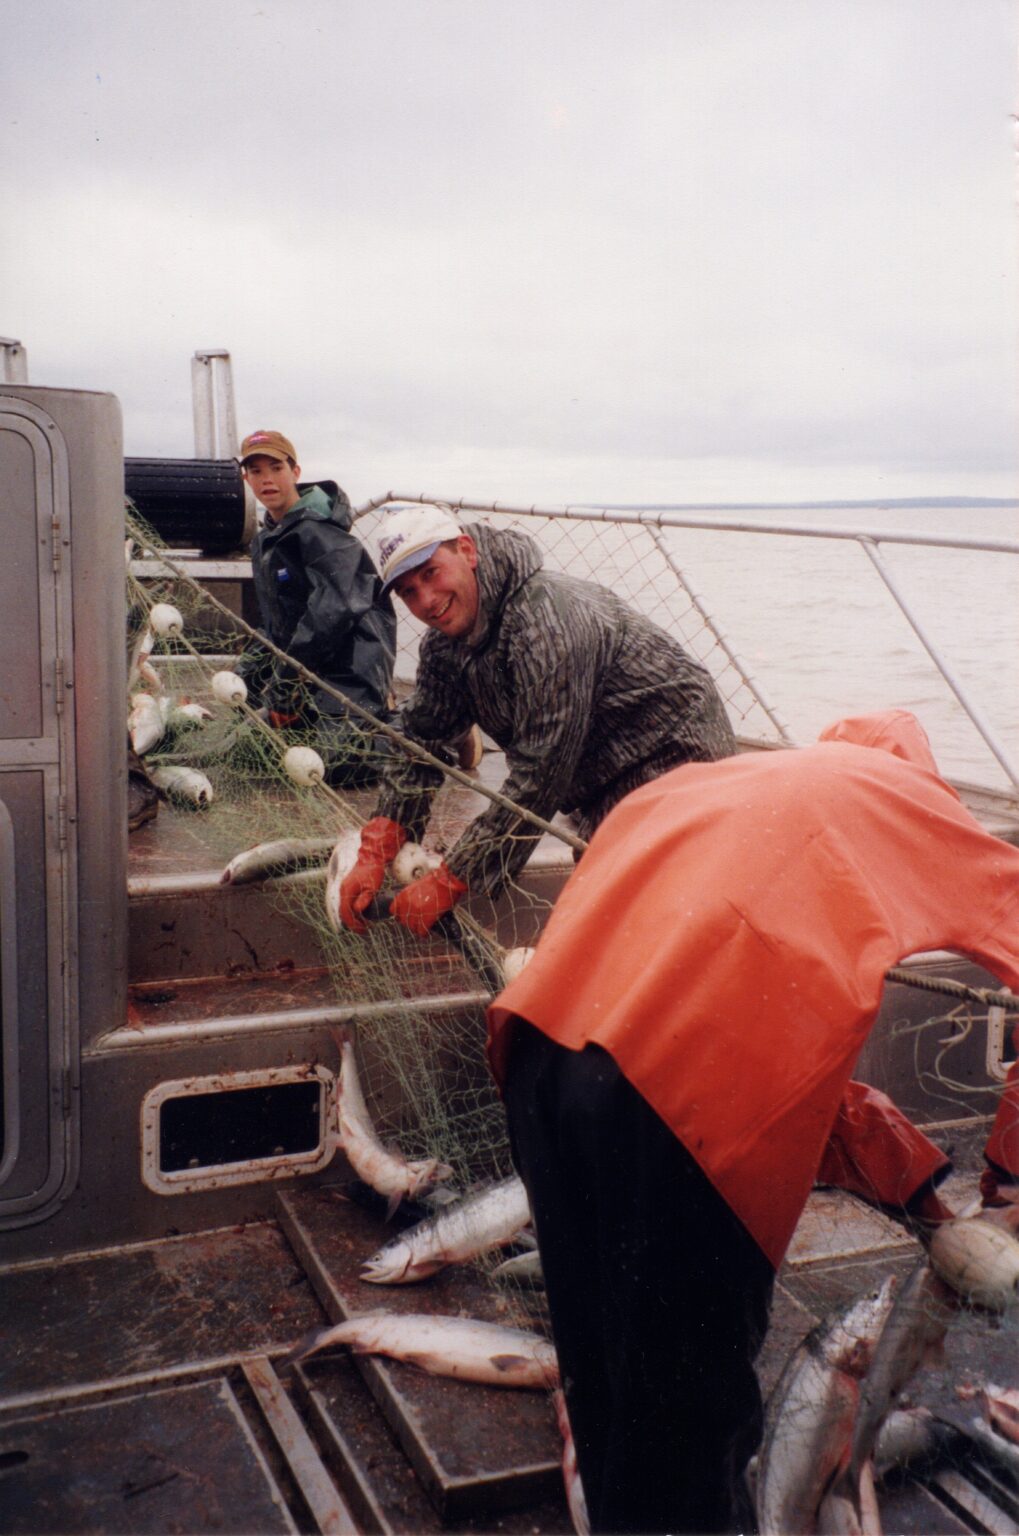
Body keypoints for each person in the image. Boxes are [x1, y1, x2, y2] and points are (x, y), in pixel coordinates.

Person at [485, 710, 1019, 1535]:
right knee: (690, 1404)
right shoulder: (905, 801)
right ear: (923, 780)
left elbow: (737, 1033)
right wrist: (1010, 1171)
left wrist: (916, 1187)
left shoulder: (709, 784)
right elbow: (700, 1062)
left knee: (604, 1363)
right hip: (667, 1111)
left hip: (537, 1062)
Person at [339, 502, 736, 935]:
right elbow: (421, 737)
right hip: (597, 776)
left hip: (676, 755)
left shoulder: (546, 622)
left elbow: (541, 772)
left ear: (467, 551)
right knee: (607, 902)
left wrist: (454, 876)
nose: (427, 601)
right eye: (408, 591)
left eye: (431, 573)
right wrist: (378, 844)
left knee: (634, 909)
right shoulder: (444, 646)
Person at [236, 430, 397, 787]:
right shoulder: (266, 540)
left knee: (330, 768)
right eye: (256, 471)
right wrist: (245, 675)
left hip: (349, 674)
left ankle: (421, 733)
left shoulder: (323, 535)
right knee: (248, 751)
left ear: (295, 471)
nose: (267, 479)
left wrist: (283, 690)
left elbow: (330, 616)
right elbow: (275, 623)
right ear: (246, 478)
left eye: (275, 467)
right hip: (306, 674)